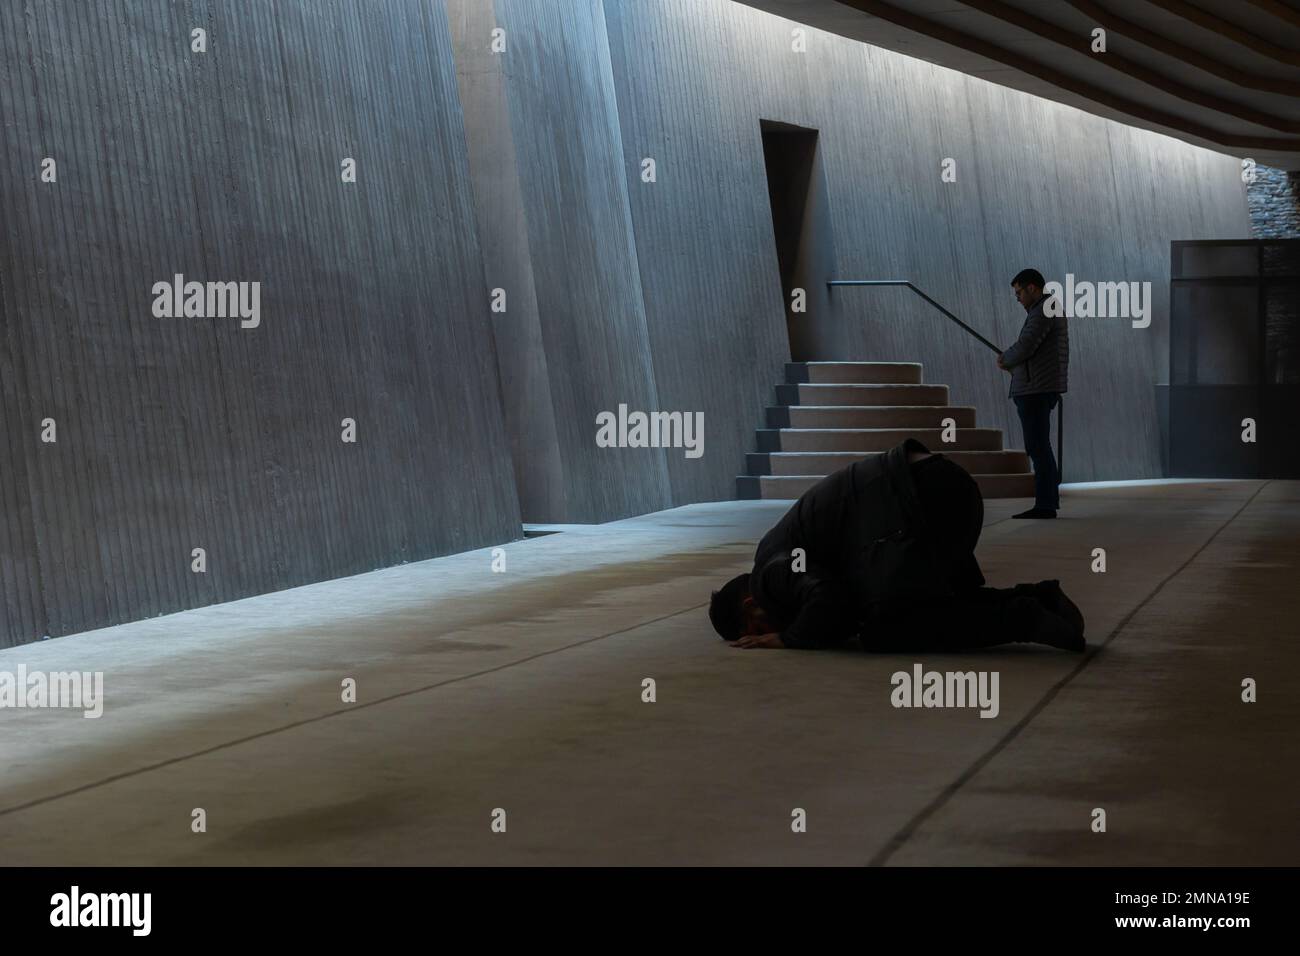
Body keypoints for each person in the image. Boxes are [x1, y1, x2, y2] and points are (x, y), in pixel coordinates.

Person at [708, 439, 1085, 651]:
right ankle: (1038, 600)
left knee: (887, 630)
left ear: (750, 606)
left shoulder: (770, 575)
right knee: (918, 609)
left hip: (922, 502)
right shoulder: (783, 546)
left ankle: (1024, 617)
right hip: (943, 491)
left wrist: (790, 639)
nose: (766, 634)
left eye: (756, 631)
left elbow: (828, 599)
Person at [997, 268, 1069, 519]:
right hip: (1038, 386)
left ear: (1032, 288)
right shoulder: (1045, 309)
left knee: (1038, 447)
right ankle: (1046, 502)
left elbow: (1027, 345)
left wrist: (1005, 359)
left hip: (1036, 388)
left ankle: (1046, 504)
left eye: (1019, 292)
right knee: (1039, 446)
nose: (1017, 297)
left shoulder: (1044, 310)